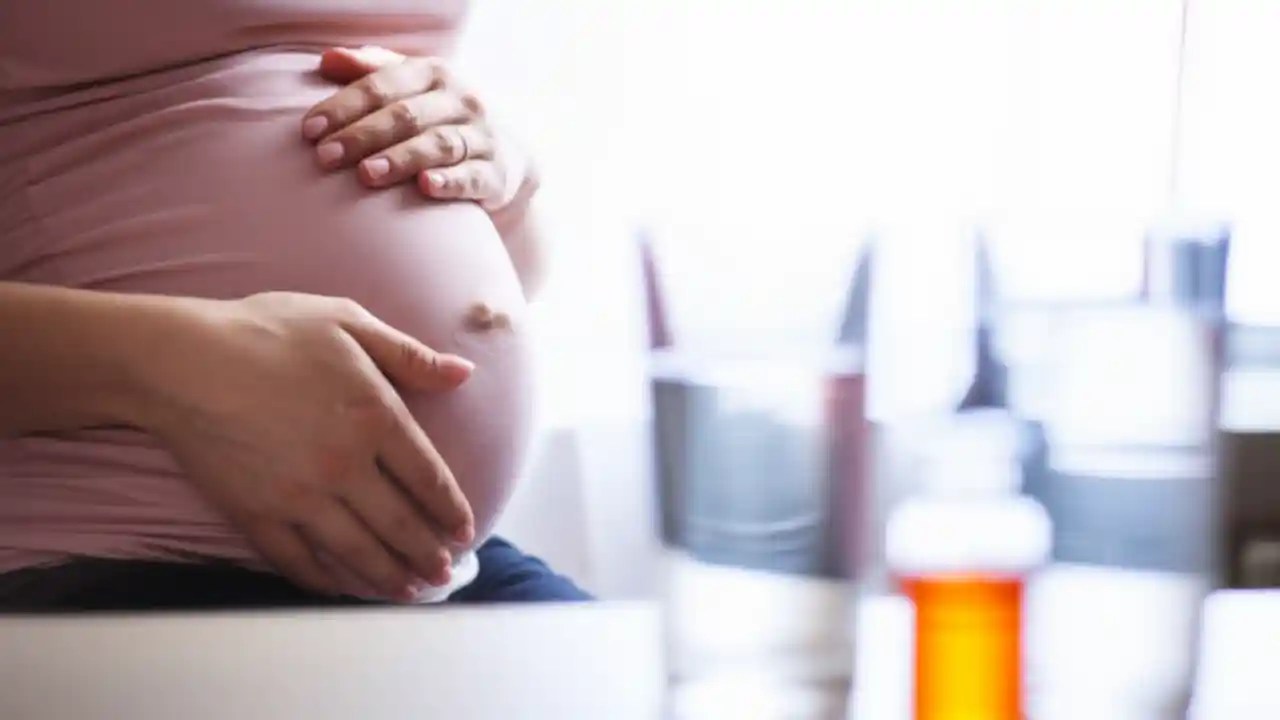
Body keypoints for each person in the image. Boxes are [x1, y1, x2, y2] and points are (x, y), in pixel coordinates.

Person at [0, 1, 589, 609]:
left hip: (433, 564)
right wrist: (175, 364)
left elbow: (505, 271)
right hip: (108, 550)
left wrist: (503, 182)